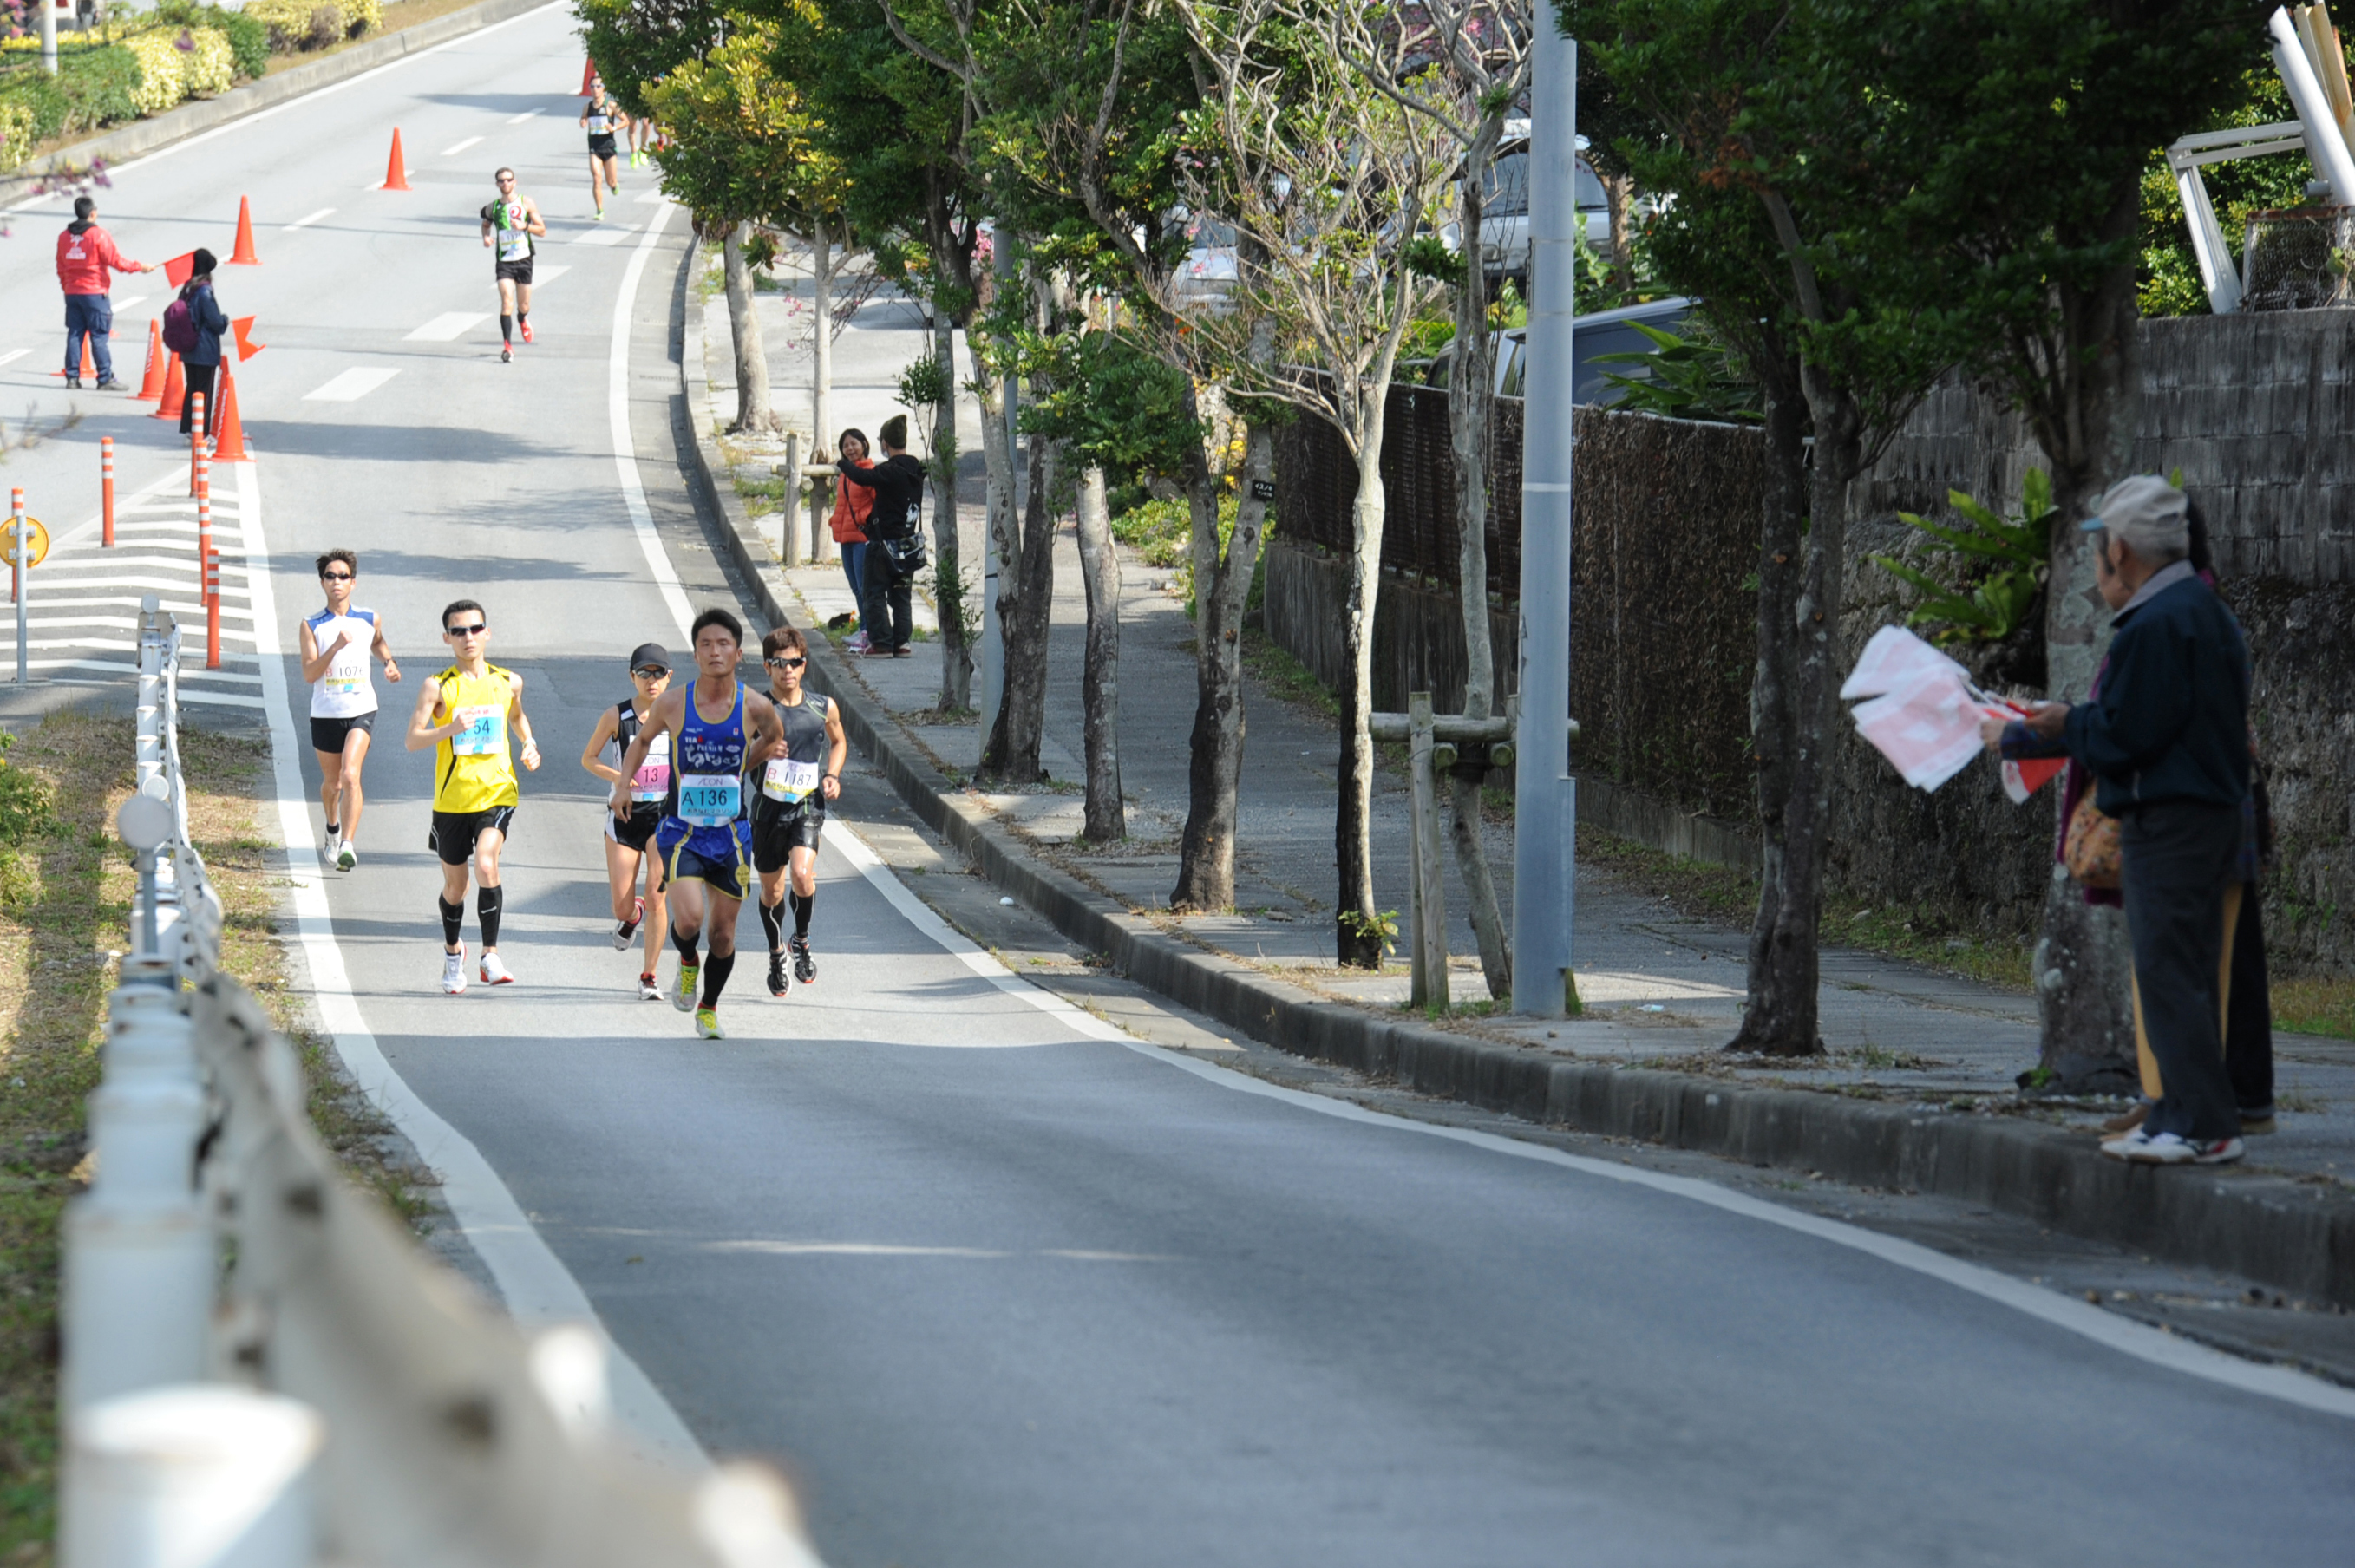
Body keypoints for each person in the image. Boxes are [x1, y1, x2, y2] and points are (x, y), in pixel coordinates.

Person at [1984, 476, 2252, 1166]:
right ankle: (2174, 1114)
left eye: (2101, 543)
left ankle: (2203, 1125)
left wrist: (2061, 724)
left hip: (2171, 821)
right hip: (2205, 817)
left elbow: (2125, 735)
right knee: (2179, 971)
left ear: (2121, 550)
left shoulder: (2155, 624)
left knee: (2169, 973)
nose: (2099, 556)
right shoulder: (2201, 610)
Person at [610, 608, 786, 1039]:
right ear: (695, 654)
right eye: (706, 644)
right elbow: (642, 741)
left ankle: (708, 1008)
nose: (714, 651)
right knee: (688, 921)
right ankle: (688, 961)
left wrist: (745, 765)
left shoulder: (755, 705)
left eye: (723, 644)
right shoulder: (674, 703)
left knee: (723, 935)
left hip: (731, 835)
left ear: (738, 653)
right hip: (682, 832)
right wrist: (623, 786)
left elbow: (775, 737)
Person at [406, 600, 541, 994]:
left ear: (487, 633)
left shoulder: (508, 682)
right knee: (456, 888)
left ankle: (490, 956)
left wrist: (529, 743)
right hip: (452, 801)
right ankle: (453, 954)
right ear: (446, 638)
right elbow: (412, 739)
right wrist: (449, 729)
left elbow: (516, 716)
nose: (468, 637)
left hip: (497, 791)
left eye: (475, 629)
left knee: (486, 862)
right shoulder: (437, 686)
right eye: (459, 631)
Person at [751, 625, 847, 996]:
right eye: (779, 663)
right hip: (768, 808)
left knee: (802, 875)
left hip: (806, 803)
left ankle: (801, 940)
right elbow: (737, 761)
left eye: (794, 662)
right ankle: (776, 953)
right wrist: (763, 750)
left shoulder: (823, 706)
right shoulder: (755, 710)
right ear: (767, 667)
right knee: (772, 892)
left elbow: (839, 741)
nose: (787, 670)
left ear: (804, 665)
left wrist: (832, 775)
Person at [580, 642, 674, 1000]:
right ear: (632, 676)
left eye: (659, 673)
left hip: (664, 817)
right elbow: (589, 758)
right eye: (644, 673)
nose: (652, 680)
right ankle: (632, 916)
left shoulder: (679, 716)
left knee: (657, 895)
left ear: (669, 676)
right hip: (625, 816)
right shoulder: (616, 716)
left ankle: (649, 975)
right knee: (621, 905)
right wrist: (619, 778)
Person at [297, 550, 400, 872]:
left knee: (351, 775)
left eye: (343, 576)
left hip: (361, 708)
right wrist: (336, 647)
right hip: (326, 713)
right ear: (322, 583)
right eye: (330, 576)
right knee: (334, 784)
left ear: (353, 582)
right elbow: (310, 673)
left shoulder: (368, 618)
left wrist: (388, 662)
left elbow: (377, 641)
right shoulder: (311, 625)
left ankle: (347, 844)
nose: (336, 582)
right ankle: (332, 829)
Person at [834, 413, 926, 658]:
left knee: (873, 593)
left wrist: (842, 463)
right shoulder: (917, 469)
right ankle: (902, 643)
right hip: (908, 544)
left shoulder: (889, 471)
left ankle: (882, 643)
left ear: (885, 443)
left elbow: (863, 477)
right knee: (901, 596)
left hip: (883, 544)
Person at [55, 194, 152, 391]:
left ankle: (72, 377)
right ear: (93, 213)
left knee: (75, 334)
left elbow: (60, 265)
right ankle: (105, 377)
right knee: (99, 336)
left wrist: (67, 287)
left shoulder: (64, 237)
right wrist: (139, 267)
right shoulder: (99, 235)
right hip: (95, 292)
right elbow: (116, 261)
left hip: (72, 293)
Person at [480, 168, 546, 365]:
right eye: (501, 181)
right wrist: (486, 238)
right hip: (504, 261)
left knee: (523, 305)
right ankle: (507, 346)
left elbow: (542, 230)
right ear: (497, 184)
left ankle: (522, 318)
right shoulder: (493, 208)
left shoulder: (526, 203)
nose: (505, 183)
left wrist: (525, 226)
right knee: (507, 301)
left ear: (514, 182)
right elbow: (485, 225)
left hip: (524, 260)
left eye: (509, 180)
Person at [174, 251, 229, 441]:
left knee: (192, 388)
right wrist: (225, 320)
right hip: (205, 349)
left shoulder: (187, 288)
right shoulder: (205, 292)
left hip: (188, 347)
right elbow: (215, 322)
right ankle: (202, 432)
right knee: (204, 391)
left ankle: (188, 429)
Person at [829, 428, 874, 652]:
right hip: (846, 537)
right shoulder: (845, 474)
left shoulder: (870, 472)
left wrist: (864, 519)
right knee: (856, 588)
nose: (850, 448)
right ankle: (864, 629)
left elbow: (877, 502)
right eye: (845, 445)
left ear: (864, 444)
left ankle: (869, 632)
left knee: (865, 587)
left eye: (853, 443)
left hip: (861, 538)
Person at [580, 85, 630, 221]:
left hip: (609, 147)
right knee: (597, 178)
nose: (595, 89)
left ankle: (614, 185)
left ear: (603, 89)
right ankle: (600, 210)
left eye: (598, 86)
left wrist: (614, 128)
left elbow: (626, 121)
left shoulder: (611, 105)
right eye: (592, 86)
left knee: (610, 181)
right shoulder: (587, 107)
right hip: (594, 148)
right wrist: (583, 122)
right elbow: (584, 118)